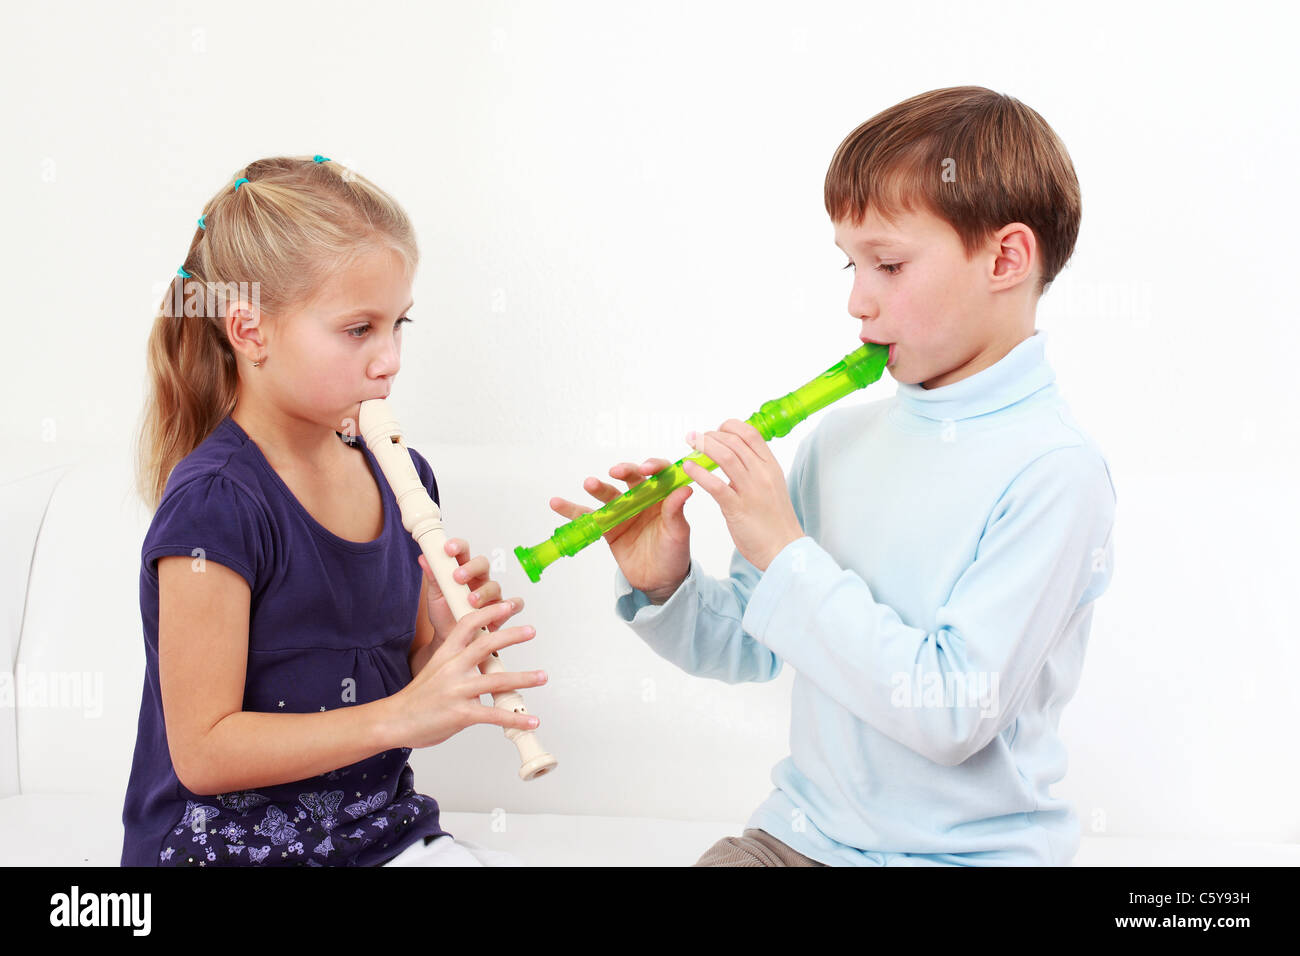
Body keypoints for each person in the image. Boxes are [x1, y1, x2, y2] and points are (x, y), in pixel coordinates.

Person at [550, 87, 1118, 866]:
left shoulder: (1056, 474)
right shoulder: (841, 438)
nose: (857, 300)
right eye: (851, 264)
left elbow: (952, 713)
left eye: (888, 263)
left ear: (1005, 258)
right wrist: (667, 586)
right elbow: (756, 643)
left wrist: (786, 553)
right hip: (799, 839)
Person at [123, 155, 544, 867]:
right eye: (359, 330)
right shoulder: (216, 504)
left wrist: (444, 642)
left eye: (398, 324)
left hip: (376, 834)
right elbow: (202, 751)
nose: (390, 360)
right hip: (223, 851)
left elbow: (406, 675)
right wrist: (396, 718)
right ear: (250, 331)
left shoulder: (399, 475)